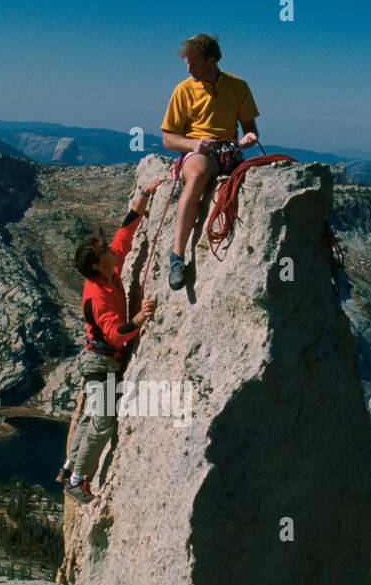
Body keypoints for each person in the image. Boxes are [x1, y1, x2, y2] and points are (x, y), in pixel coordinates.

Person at [57, 179, 164, 503]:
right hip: (102, 361)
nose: (110, 249)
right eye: (103, 251)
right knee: (102, 422)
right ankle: (77, 480)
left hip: (99, 360)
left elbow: (125, 233)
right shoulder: (97, 296)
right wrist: (140, 318)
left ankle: (68, 467)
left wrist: (143, 196)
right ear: (96, 265)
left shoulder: (107, 270)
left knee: (90, 416)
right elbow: (115, 334)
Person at [160, 33, 260, 289]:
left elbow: (250, 128)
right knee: (196, 175)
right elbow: (168, 139)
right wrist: (193, 144)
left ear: (211, 60)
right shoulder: (184, 90)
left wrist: (249, 138)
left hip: (228, 150)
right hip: (199, 151)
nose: (188, 68)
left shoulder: (238, 86)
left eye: (193, 63)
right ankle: (177, 257)